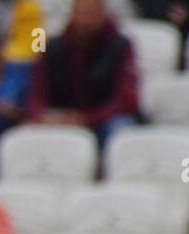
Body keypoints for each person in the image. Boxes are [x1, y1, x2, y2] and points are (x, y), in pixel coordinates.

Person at [24, 0, 140, 145]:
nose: (84, 20)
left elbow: (126, 102)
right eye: (80, 13)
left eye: (91, 14)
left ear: (102, 15)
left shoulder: (121, 47)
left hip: (102, 120)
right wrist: (43, 116)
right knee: (27, 129)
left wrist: (86, 119)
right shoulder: (53, 47)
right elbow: (35, 96)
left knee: (119, 127)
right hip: (62, 121)